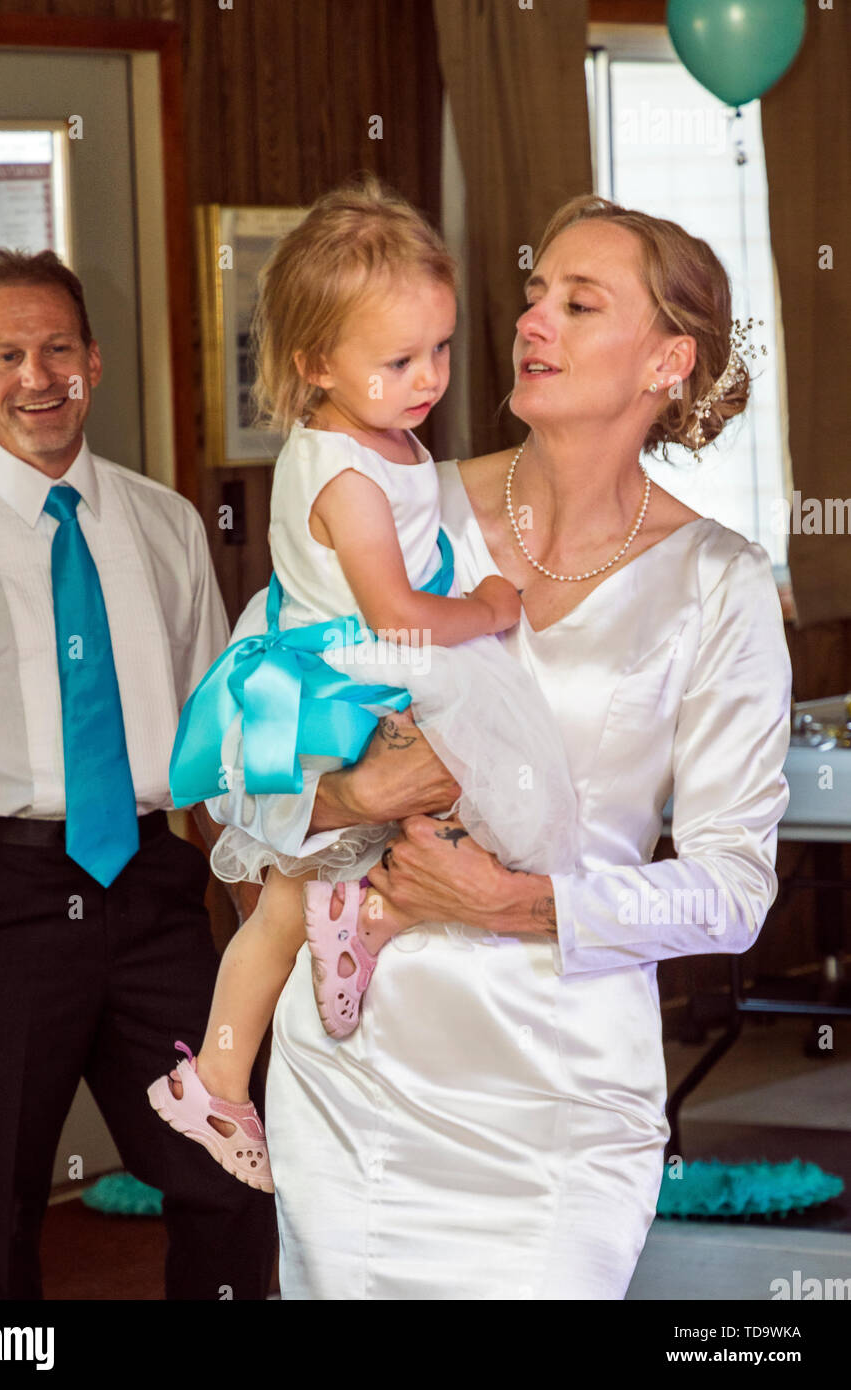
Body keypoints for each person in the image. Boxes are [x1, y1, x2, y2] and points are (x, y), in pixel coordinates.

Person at [213, 194, 792, 1299]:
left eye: (579, 303)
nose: (533, 321)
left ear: (668, 359)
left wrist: (514, 903)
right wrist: (353, 795)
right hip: (358, 1082)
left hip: (564, 1101)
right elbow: (235, 774)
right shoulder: (387, 498)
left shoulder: (719, 584)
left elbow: (733, 892)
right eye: (534, 295)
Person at [148, 178, 578, 1194]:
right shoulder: (344, 472)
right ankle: (317, 969)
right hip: (350, 681)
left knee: (289, 906)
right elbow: (395, 609)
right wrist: (486, 606)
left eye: (437, 349)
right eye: (397, 361)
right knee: (480, 802)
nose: (427, 376)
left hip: (345, 668)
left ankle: (237, 1048)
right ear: (313, 363)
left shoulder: (378, 438)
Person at [0, 249, 276, 1300]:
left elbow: (215, 758)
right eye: (8, 354)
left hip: (156, 894)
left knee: (230, 1172)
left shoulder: (163, 523)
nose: (38, 374)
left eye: (58, 347)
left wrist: (260, 916)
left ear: (94, 361)